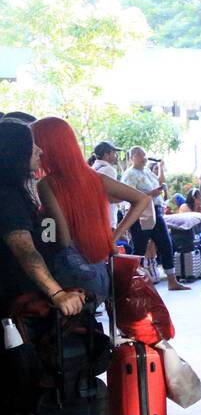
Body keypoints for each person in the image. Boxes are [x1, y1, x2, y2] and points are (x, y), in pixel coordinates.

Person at [31, 118, 150, 302]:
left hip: (69, 277)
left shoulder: (47, 185)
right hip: (99, 271)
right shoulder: (95, 179)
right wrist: (114, 236)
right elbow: (142, 199)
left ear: (47, 147)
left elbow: (60, 239)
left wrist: (43, 228)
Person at [0, 121, 86, 318]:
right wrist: (57, 293)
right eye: (32, 145)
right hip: (14, 302)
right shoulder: (7, 194)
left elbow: (48, 239)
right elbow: (25, 250)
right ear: (15, 151)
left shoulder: (18, 189)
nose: (39, 151)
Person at [121, 147, 189, 291]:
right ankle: (133, 283)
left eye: (145, 155)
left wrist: (161, 170)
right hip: (141, 214)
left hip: (156, 211)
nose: (144, 157)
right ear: (132, 157)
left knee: (166, 243)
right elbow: (129, 196)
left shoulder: (146, 171)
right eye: (140, 155)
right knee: (139, 248)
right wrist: (150, 194)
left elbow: (158, 184)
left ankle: (172, 280)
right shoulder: (129, 174)